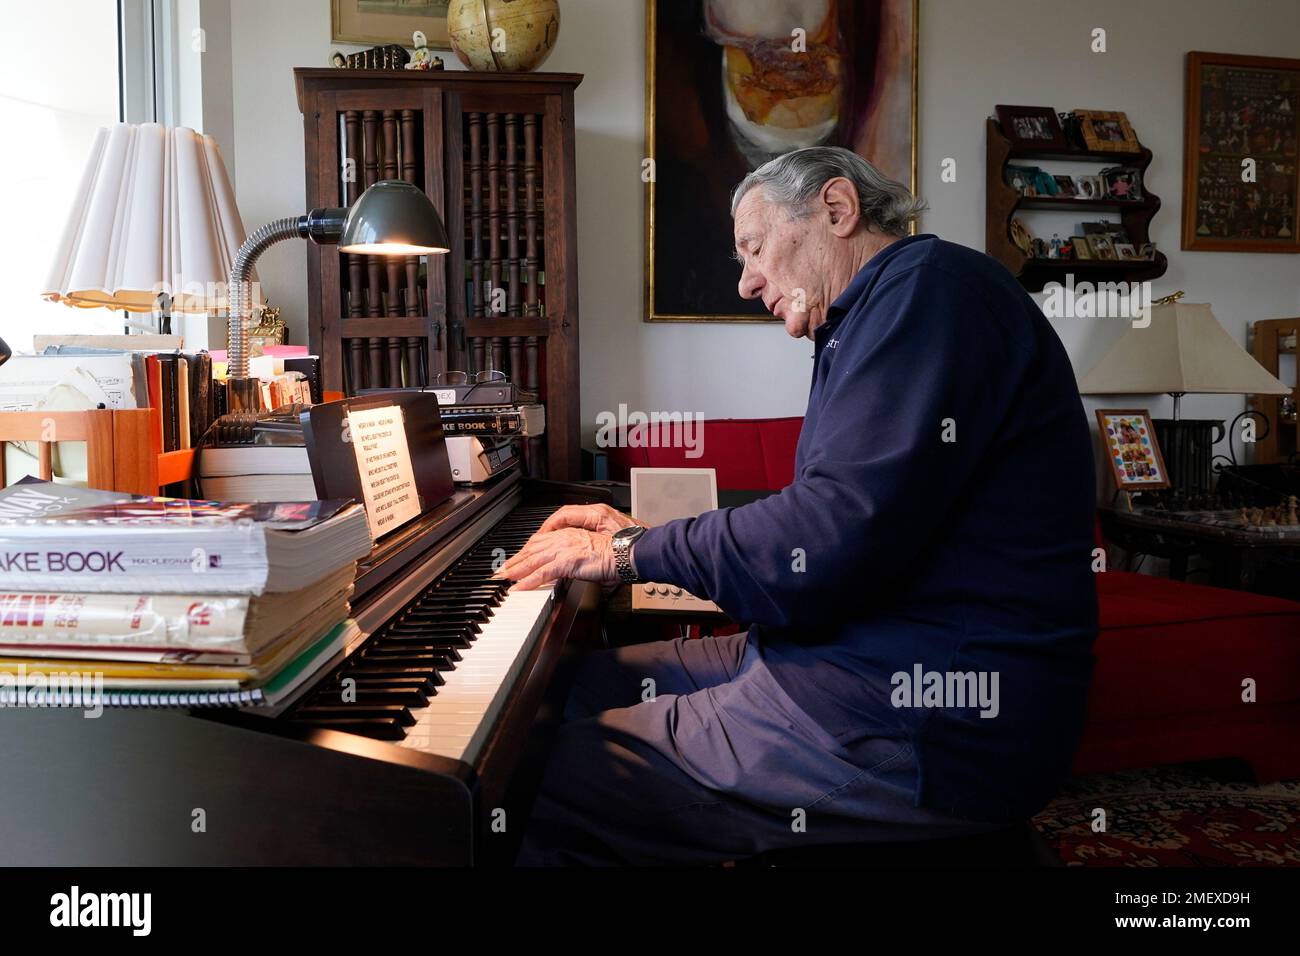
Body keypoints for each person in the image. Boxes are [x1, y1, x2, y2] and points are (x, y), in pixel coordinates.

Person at [500, 146, 1099, 866]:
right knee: (556, 692)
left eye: (753, 248)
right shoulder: (877, 313)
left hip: (920, 715)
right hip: (839, 660)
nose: (749, 284)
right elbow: (832, 529)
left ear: (837, 209)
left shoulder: (930, 290)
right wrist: (646, 537)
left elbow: (824, 536)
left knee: (531, 781)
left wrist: (632, 554)